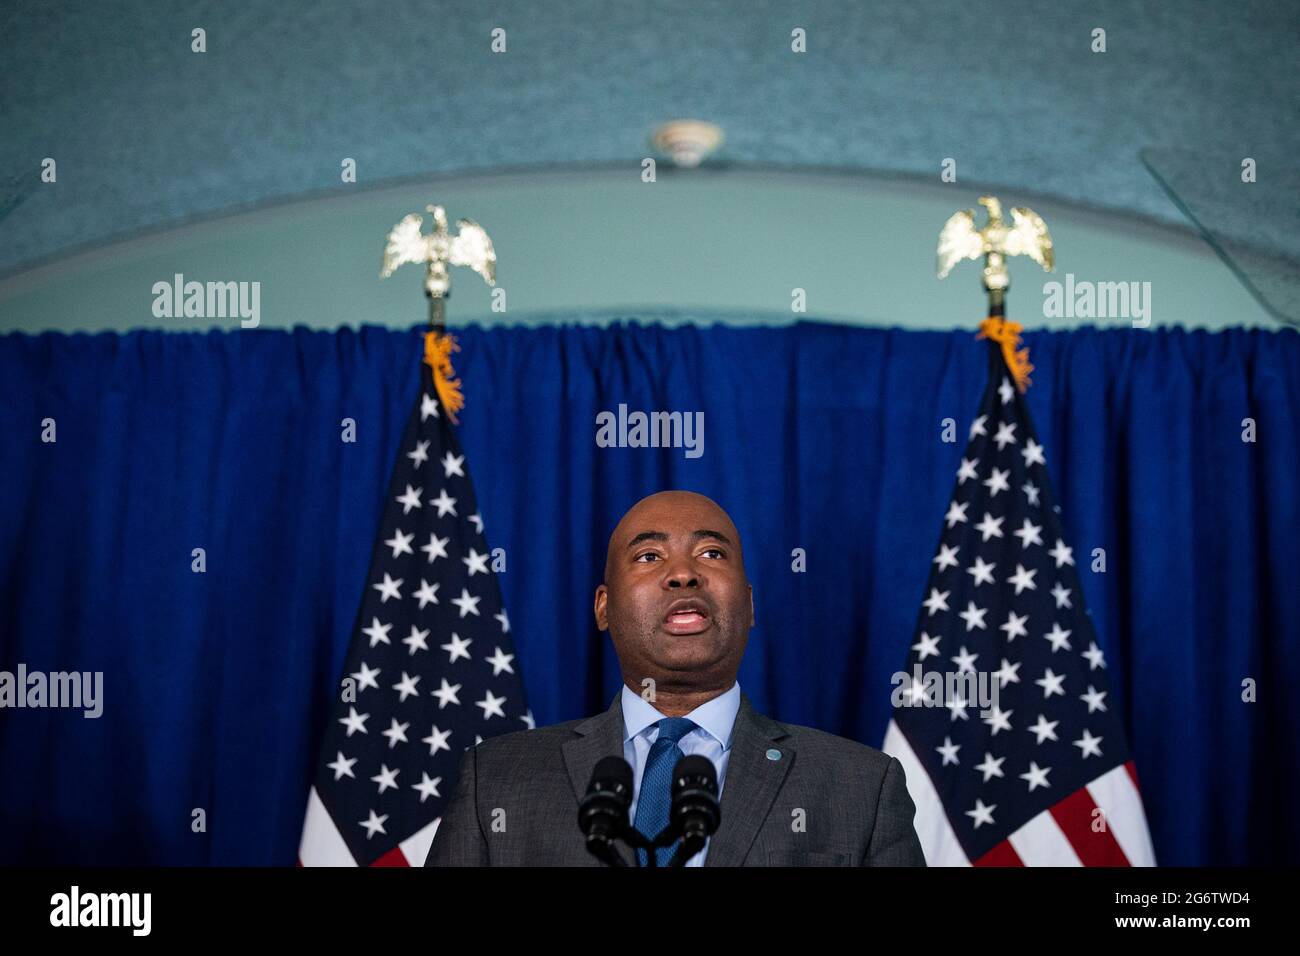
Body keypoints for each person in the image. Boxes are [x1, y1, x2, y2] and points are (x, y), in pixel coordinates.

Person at [424, 490, 925, 866]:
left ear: (748, 605)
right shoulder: (496, 780)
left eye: (711, 553)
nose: (683, 574)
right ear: (604, 607)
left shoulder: (862, 787)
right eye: (648, 557)